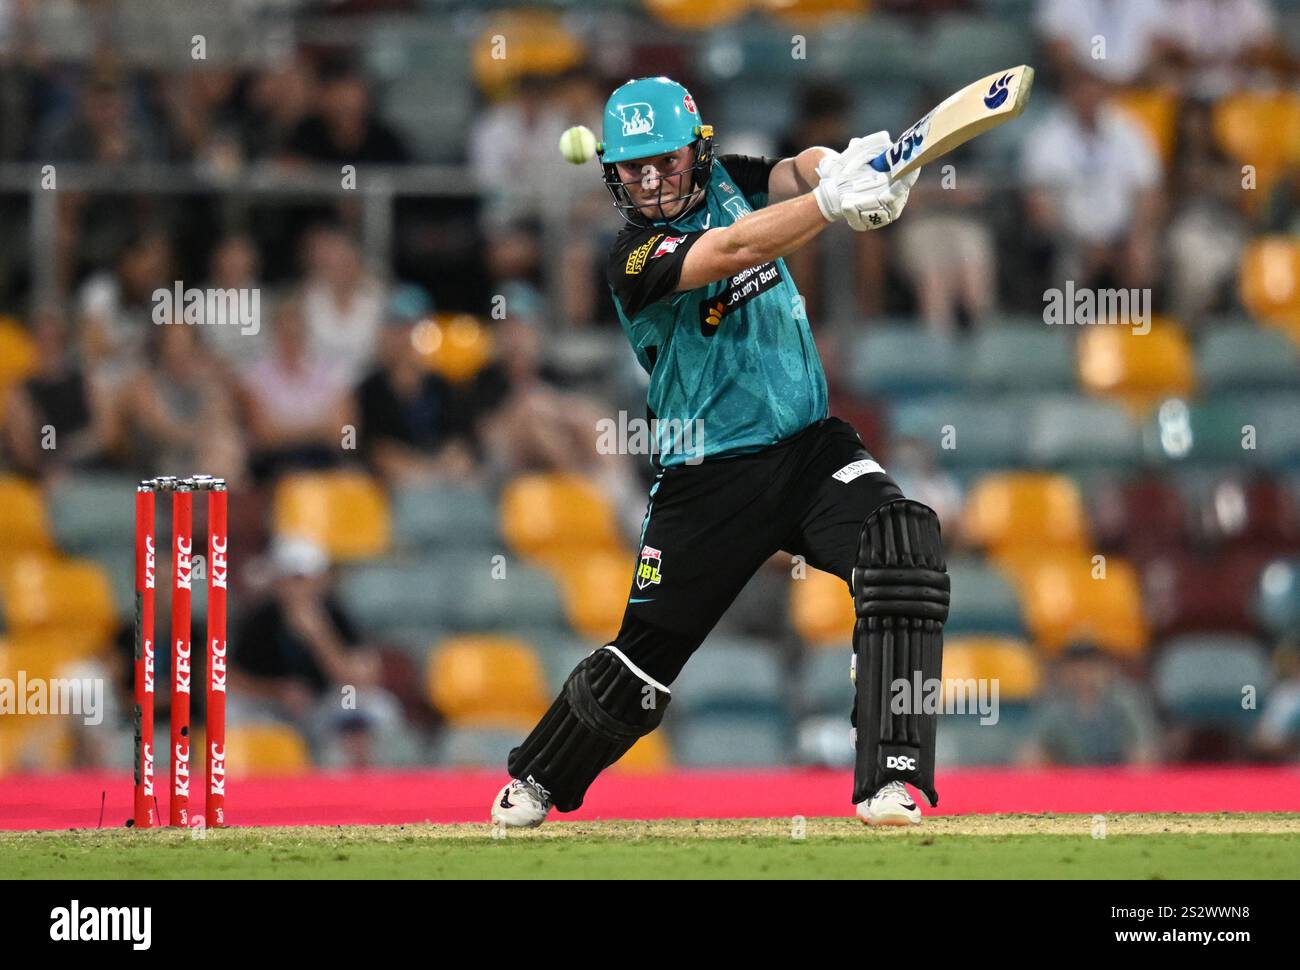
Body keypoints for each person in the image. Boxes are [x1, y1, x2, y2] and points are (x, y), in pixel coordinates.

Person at [490, 77, 949, 829]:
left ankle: (887, 778)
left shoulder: (727, 173)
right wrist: (836, 204)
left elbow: (789, 173)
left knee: (905, 546)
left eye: (664, 164)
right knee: (641, 672)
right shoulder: (633, 258)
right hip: (710, 475)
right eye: (633, 171)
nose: (650, 183)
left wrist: (839, 164)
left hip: (809, 449)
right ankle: (537, 778)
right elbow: (740, 244)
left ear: (697, 153)